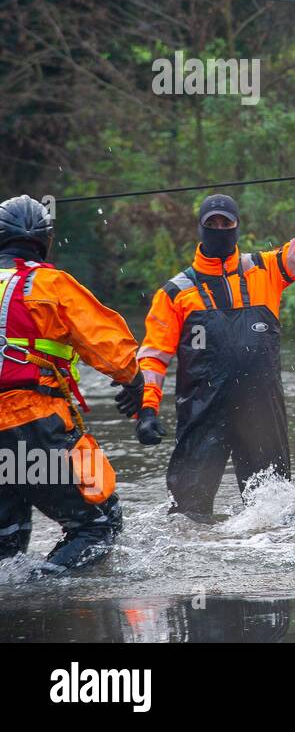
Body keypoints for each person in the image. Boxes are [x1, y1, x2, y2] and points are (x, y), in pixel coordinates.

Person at [138, 165, 295, 519]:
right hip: (203, 412)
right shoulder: (175, 292)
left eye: (226, 224)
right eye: (213, 224)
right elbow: (154, 356)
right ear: (202, 228)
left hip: (260, 411)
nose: (220, 230)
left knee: (274, 515)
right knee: (187, 516)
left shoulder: (266, 269)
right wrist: (147, 409)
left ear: (236, 227)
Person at [0, 195, 146, 576]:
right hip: (36, 426)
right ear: (45, 241)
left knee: (7, 544)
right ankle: (49, 599)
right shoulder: (51, 285)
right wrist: (134, 381)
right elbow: (110, 347)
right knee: (99, 526)